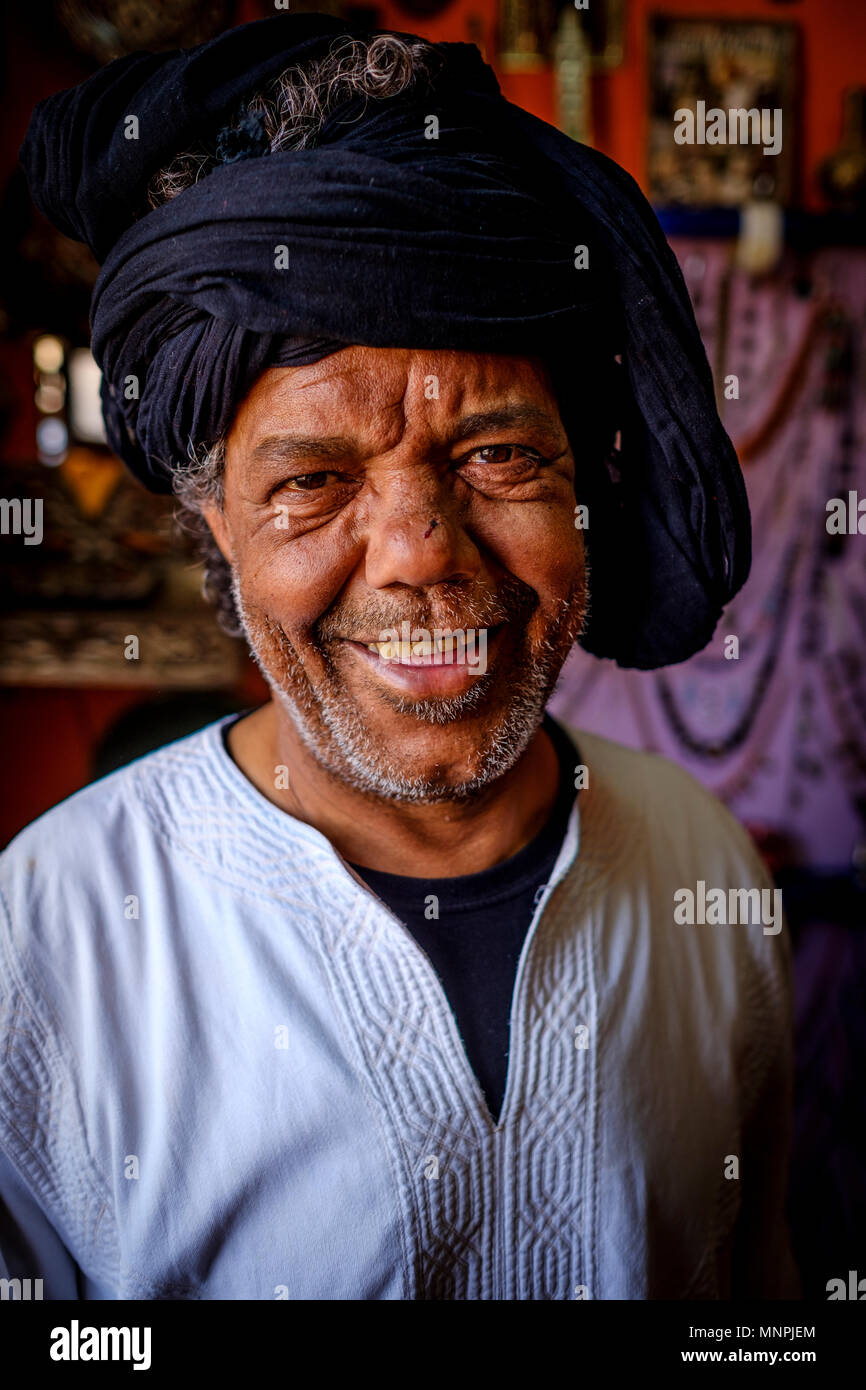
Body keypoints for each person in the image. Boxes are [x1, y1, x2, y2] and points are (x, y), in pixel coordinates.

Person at [0, 13, 799, 1300]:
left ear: (584, 476)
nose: (421, 554)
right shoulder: (43, 952)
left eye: (497, 456)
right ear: (213, 514)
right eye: (312, 480)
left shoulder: (699, 869)